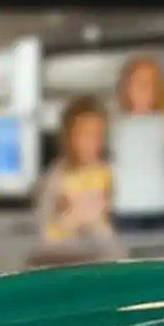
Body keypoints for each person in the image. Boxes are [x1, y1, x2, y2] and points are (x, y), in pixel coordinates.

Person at [108, 55, 164, 232]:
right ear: (125, 88)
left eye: (151, 83)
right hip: (126, 210)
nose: (144, 88)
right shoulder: (115, 126)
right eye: (138, 82)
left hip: (163, 208)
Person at [34, 96, 115, 245]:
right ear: (69, 136)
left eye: (97, 135)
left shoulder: (108, 173)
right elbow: (43, 227)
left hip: (102, 256)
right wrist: (67, 218)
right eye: (84, 134)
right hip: (66, 255)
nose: (91, 142)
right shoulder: (56, 177)